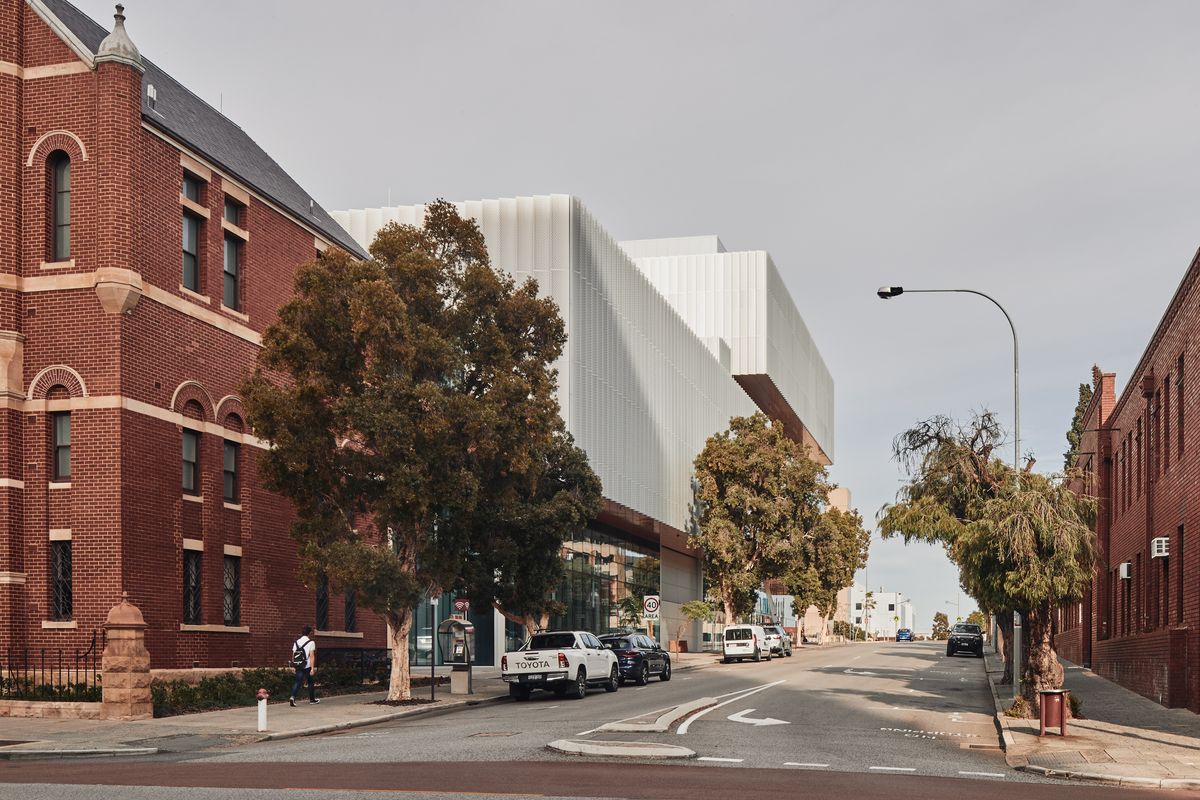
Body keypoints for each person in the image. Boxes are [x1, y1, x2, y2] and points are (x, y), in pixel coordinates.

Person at [290, 625, 319, 706]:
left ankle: (292, 697)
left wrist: (294, 666)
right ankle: (312, 700)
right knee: (310, 682)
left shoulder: (296, 642)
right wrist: (312, 668)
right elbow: (312, 656)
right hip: (307, 665)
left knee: (297, 682)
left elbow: (294, 655)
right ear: (309, 633)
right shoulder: (311, 642)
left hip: (299, 665)